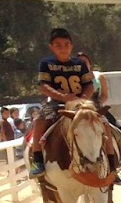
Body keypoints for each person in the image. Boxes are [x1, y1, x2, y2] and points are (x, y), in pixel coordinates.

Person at [29, 28, 93, 177]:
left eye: (66, 44)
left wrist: (82, 98)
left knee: (102, 121)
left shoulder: (80, 64)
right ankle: (38, 159)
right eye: (58, 45)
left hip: (80, 103)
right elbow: (44, 86)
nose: (63, 48)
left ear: (71, 46)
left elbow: (89, 85)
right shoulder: (46, 63)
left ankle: (113, 160)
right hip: (55, 103)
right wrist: (63, 97)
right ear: (51, 47)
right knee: (39, 120)